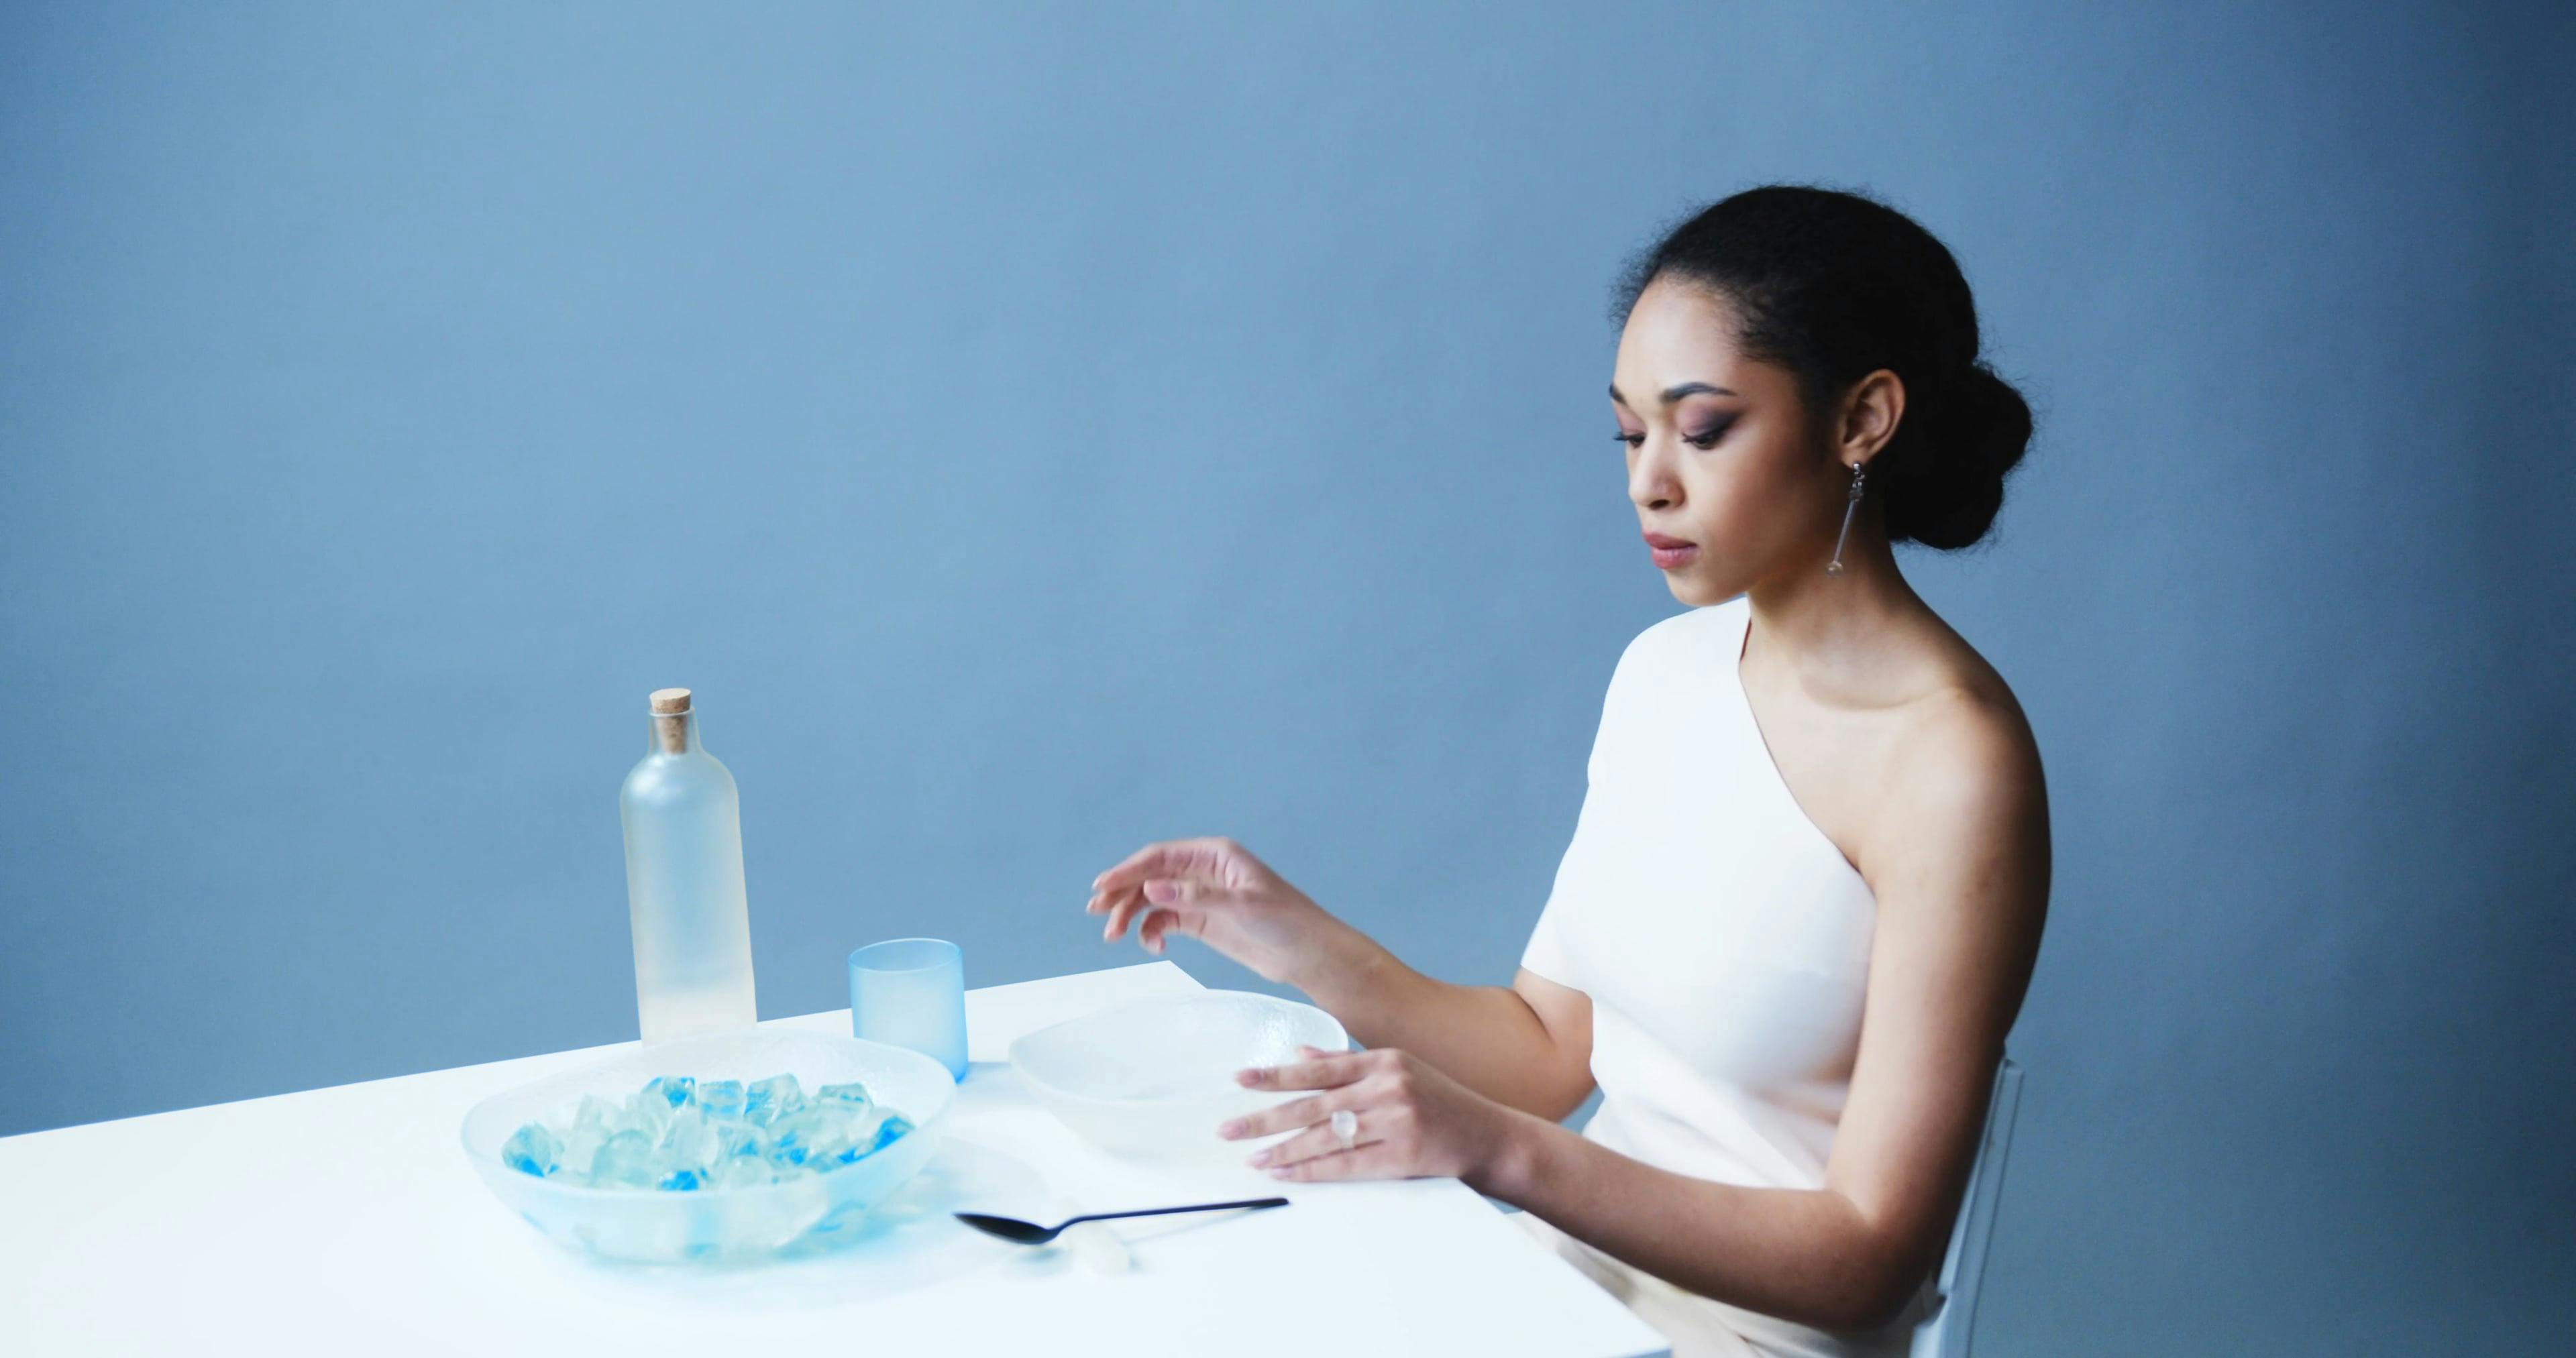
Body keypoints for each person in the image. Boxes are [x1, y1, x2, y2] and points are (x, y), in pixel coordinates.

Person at [1083, 183, 2051, 1358]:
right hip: (1553, 1288)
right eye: (1630, 433)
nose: (1650, 480)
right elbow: (1547, 1052)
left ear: (1863, 420)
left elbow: (1867, 1256)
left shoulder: (1953, 764)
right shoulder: (1666, 671)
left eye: (1702, 430)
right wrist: (1291, 936)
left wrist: (1495, 1151)